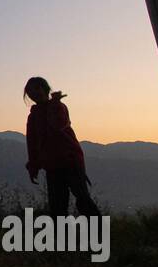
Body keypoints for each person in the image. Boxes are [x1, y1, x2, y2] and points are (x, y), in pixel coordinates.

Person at [23, 76, 101, 217]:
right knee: (58, 207)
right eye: (29, 91)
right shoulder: (33, 116)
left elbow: (58, 125)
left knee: (83, 200)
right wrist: (33, 165)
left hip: (70, 161)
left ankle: (100, 235)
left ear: (45, 89)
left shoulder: (59, 107)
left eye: (36, 88)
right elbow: (32, 143)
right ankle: (65, 238)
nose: (33, 93)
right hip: (52, 165)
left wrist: (54, 104)